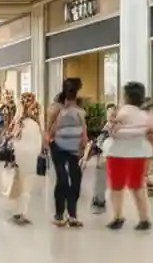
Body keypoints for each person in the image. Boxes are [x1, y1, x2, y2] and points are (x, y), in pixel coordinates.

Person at [105, 82, 153, 231]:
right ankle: (144, 218)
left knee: (116, 187)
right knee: (138, 187)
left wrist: (111, 120)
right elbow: (152, 134)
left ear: (126, 96)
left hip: (117, 154)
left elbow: (112, 131)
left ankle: (117, 216)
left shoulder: (122, 112)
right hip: (138, 155)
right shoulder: (145, 116)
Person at [45, 78, 88, 228]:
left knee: (75, 180)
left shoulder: (79, 108)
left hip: (74, 148)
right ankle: (59, 214)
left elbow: (83, 128)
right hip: (58, 146)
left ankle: (72, 214)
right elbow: (49, 128)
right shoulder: (56, 108)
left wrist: (84, 142)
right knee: (63, 178)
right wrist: (45, 145)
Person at [7, 93, 43, 226]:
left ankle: (17, 211)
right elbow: (40, 139)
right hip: (32, 156)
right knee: (27, 184)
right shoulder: (36, 124)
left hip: (20, 156)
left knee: (19, 183)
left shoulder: (20, 123)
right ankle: (23, 211)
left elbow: (12, 138)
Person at [88, 104, 117, 214]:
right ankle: (99, 201)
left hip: (115, 157)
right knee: (100, 177)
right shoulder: (105, 126)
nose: (110, 116)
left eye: (112, 114)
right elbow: (98, 142)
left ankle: (103, 201)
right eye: (108, 113)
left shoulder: (118, 127)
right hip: (105, 156)